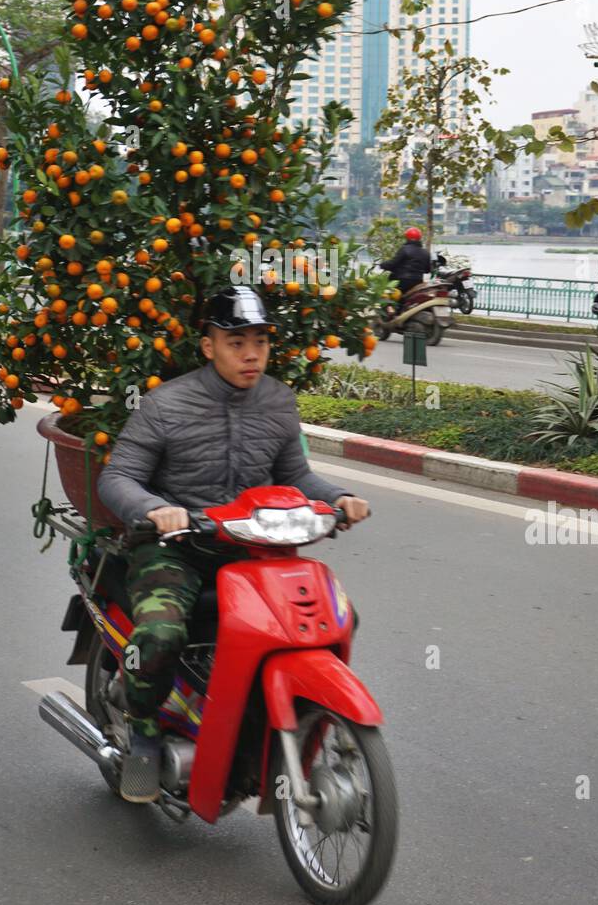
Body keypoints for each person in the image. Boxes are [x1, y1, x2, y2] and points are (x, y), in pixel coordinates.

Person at [96, 284, 370, 803]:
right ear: (208, 346)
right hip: (175, 548)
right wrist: (155, 511)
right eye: (236, 341)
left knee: (338, 618)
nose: (251, 354)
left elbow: (296, 476)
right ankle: (144, 730)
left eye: (261, 342)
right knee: (160, 634)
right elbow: (118, 478)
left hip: (252, 551)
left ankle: (277, 718)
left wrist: (341, 497)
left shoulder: (277, 401)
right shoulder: (166, 403)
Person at [379, 227, 434, 303]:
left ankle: (390, 310)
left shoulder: (404, 249)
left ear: (407, 237)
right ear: (419, 238)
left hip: (402, 281)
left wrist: (382, 265)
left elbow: (393, 263)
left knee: (386, 294)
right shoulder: (426, 253)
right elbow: (428, 270)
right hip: (418, 282)